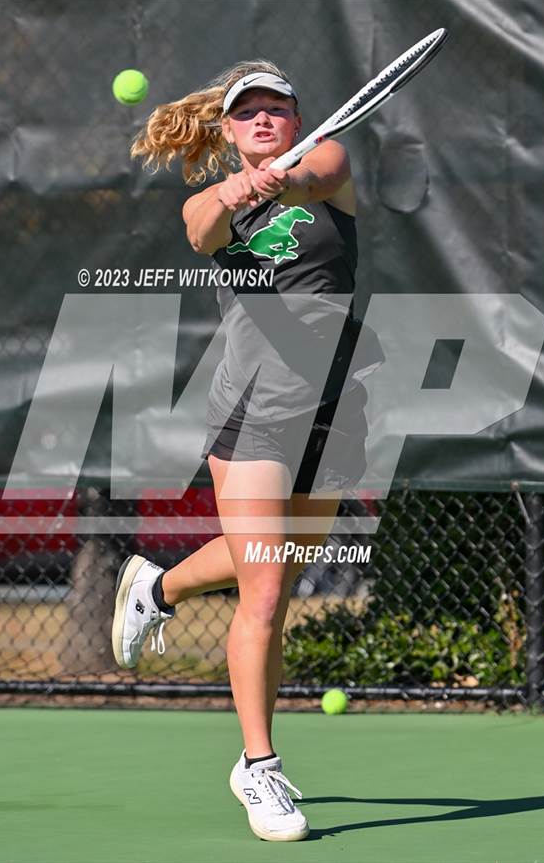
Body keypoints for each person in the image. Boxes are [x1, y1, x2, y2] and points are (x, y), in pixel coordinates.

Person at [111, 60, 378, 843]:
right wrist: (238, 190)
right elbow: (199, 225)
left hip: (336, 403)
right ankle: (259, 768)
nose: (264, 120)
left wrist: (275, 183)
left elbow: (319, 174)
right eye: (248, 113)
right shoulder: (215, 196)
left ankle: (156, 589)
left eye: (277, 110)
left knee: (283, 556)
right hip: (253, 408)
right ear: (228, 131)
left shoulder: (329, 163)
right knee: (266, 591)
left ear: (298, 120)